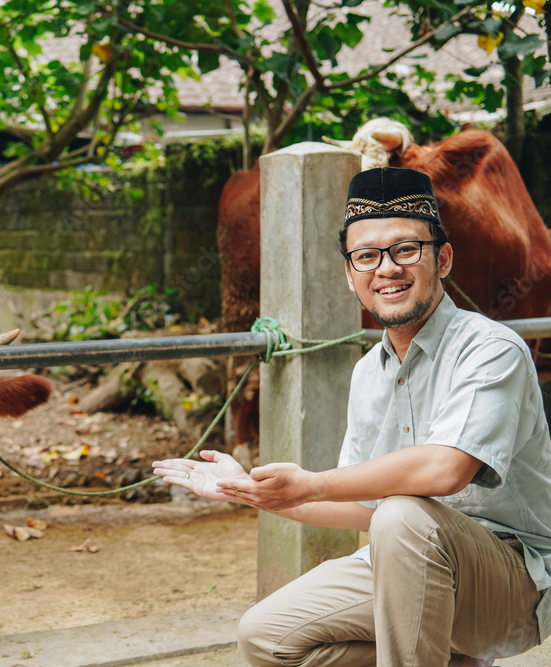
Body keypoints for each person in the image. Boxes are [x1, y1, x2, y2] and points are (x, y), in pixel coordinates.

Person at [154, 167, 551, 666]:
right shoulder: (367, 372)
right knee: (264, 636)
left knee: (405, 515)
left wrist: (313, 483)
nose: (386, 268)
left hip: (514, 587)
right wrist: (252, 491)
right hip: (408, 564)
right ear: (350, 275)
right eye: (366, 257)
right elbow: (365, 509)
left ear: (443, 258)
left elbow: (444, 471)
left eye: (406, 250)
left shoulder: (491, 349)